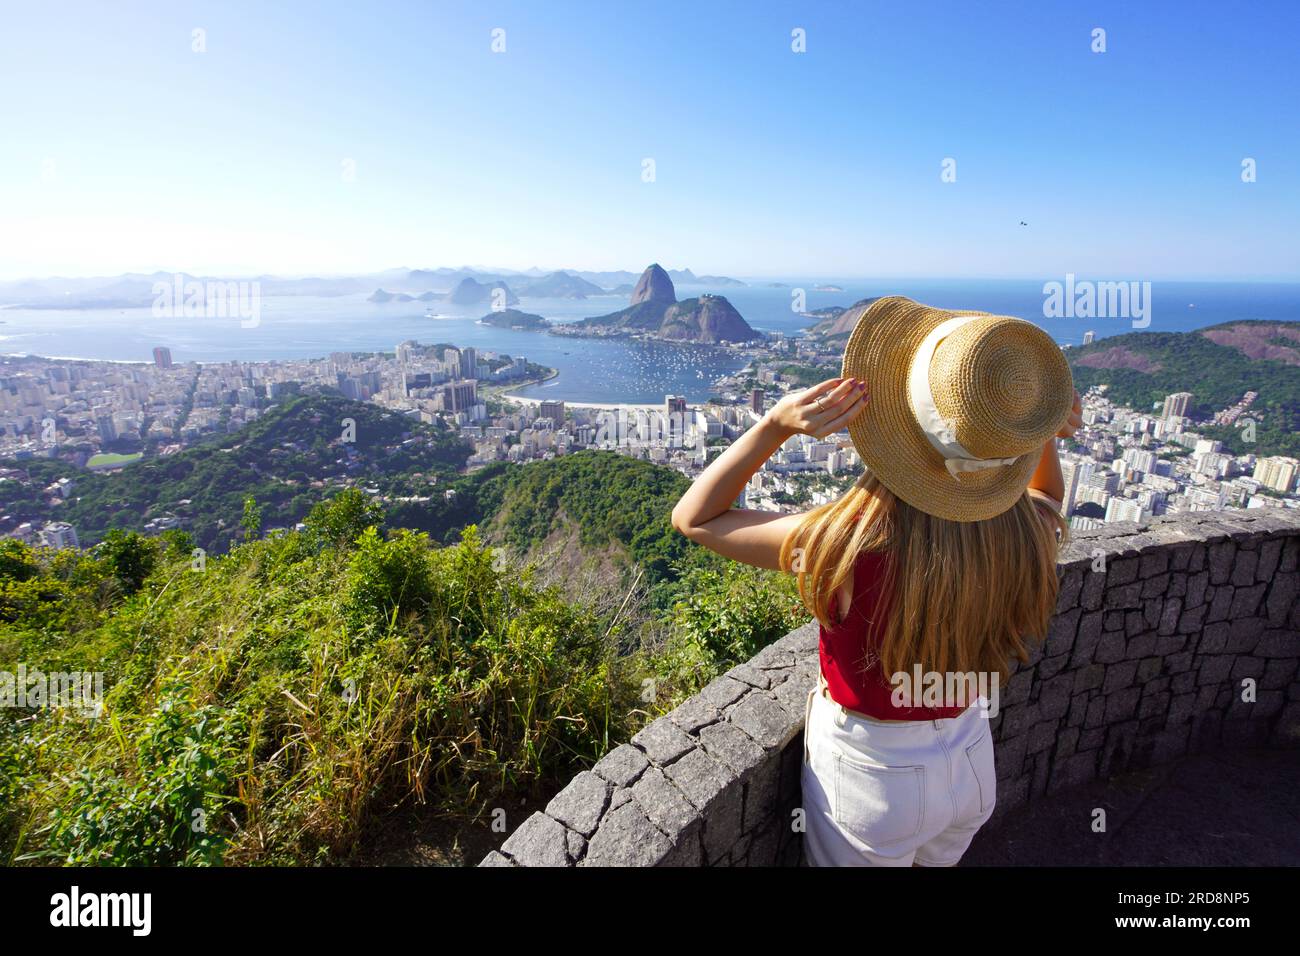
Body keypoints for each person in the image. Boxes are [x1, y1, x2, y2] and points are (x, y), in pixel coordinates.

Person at [670, 296, 1082, 866]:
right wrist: (1031, 431)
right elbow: (1044, 497)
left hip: (873, 780)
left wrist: (774, 425)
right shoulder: (1025, 534)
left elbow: (697, 518)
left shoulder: (844, 543)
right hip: (969, 758)